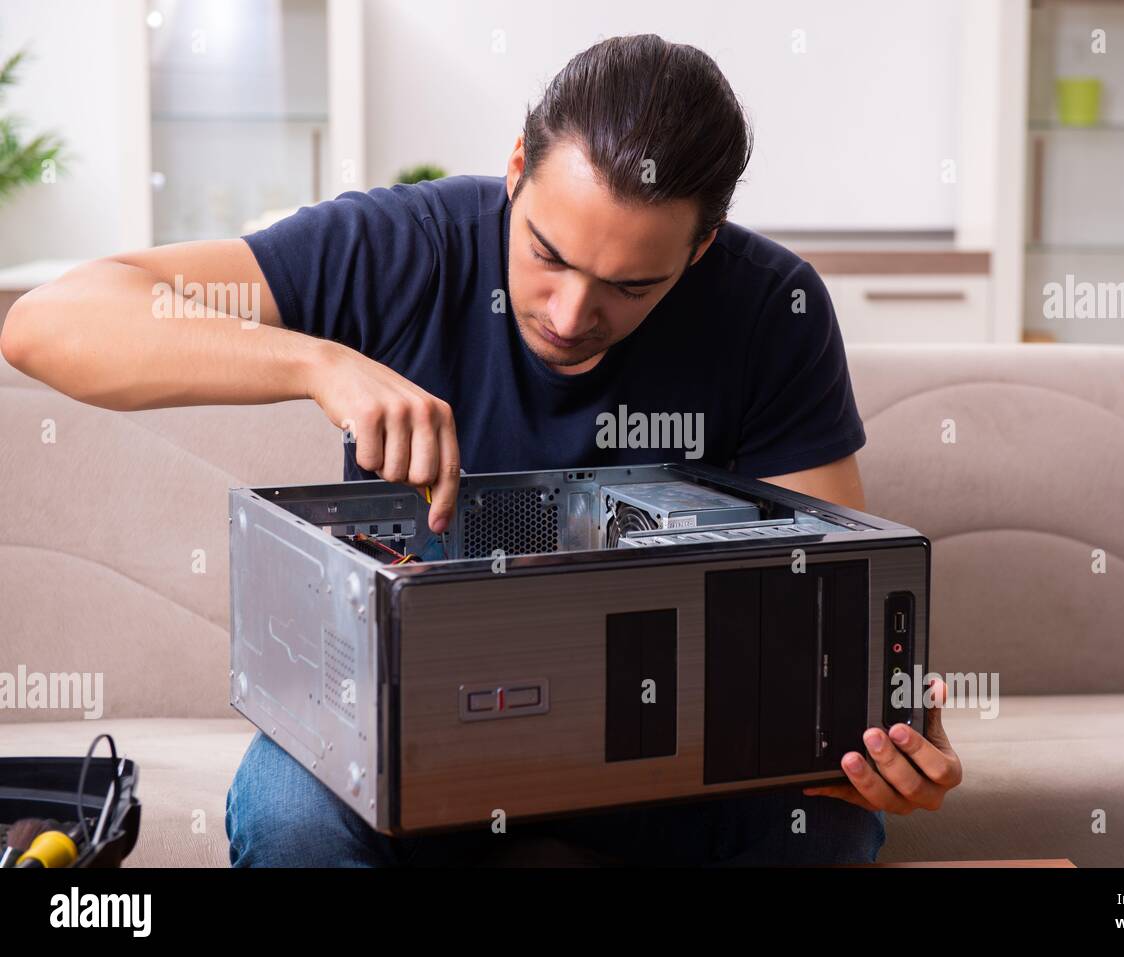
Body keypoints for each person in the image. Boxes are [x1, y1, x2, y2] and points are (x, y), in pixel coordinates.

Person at [1, 34, 962, 867]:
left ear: (702, 249)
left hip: (662, 753)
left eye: (632, 285)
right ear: (515, 166)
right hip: (415, 735)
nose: (572, 314)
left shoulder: (771, 308)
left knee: (828, 833)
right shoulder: (401, 248)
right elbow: (51, 323)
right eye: (547, 252)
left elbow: (832, 604)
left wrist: (880, 745)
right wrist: (319, 363)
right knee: (289, 816)